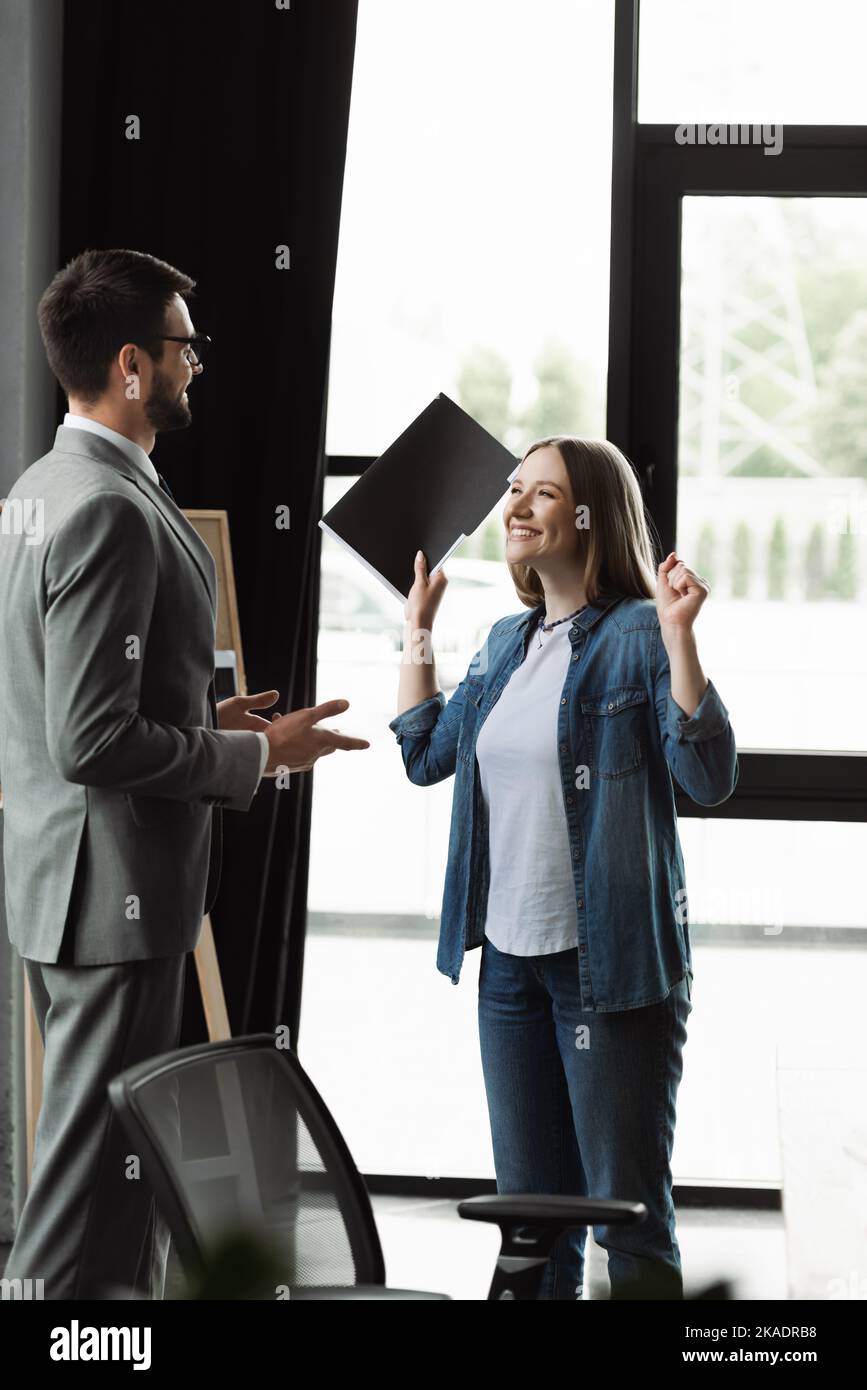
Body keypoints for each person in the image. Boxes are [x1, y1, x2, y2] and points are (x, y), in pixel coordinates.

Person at [0, 247, 368, 1299]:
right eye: (182, 345)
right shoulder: (107, 507)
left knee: (119, 1194)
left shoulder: (44, 487)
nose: (198, 363)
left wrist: (206, 716)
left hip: (76, 892)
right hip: (112, 903)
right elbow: (88, 740)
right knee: (77, 1214)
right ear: (129, 365)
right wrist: (256, 753)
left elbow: (71, 704)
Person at [388, 436, 738, 1300]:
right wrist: (417, 633)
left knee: (627, 1217)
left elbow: (708, 775)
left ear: (590, 516)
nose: (515, 505)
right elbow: (424, 753)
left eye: (541, 493)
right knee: (529, 1222)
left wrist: (680, 636)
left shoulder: (636, 637)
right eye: (513, 489)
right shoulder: (505, 644)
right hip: (507, 969)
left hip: (609, 969)